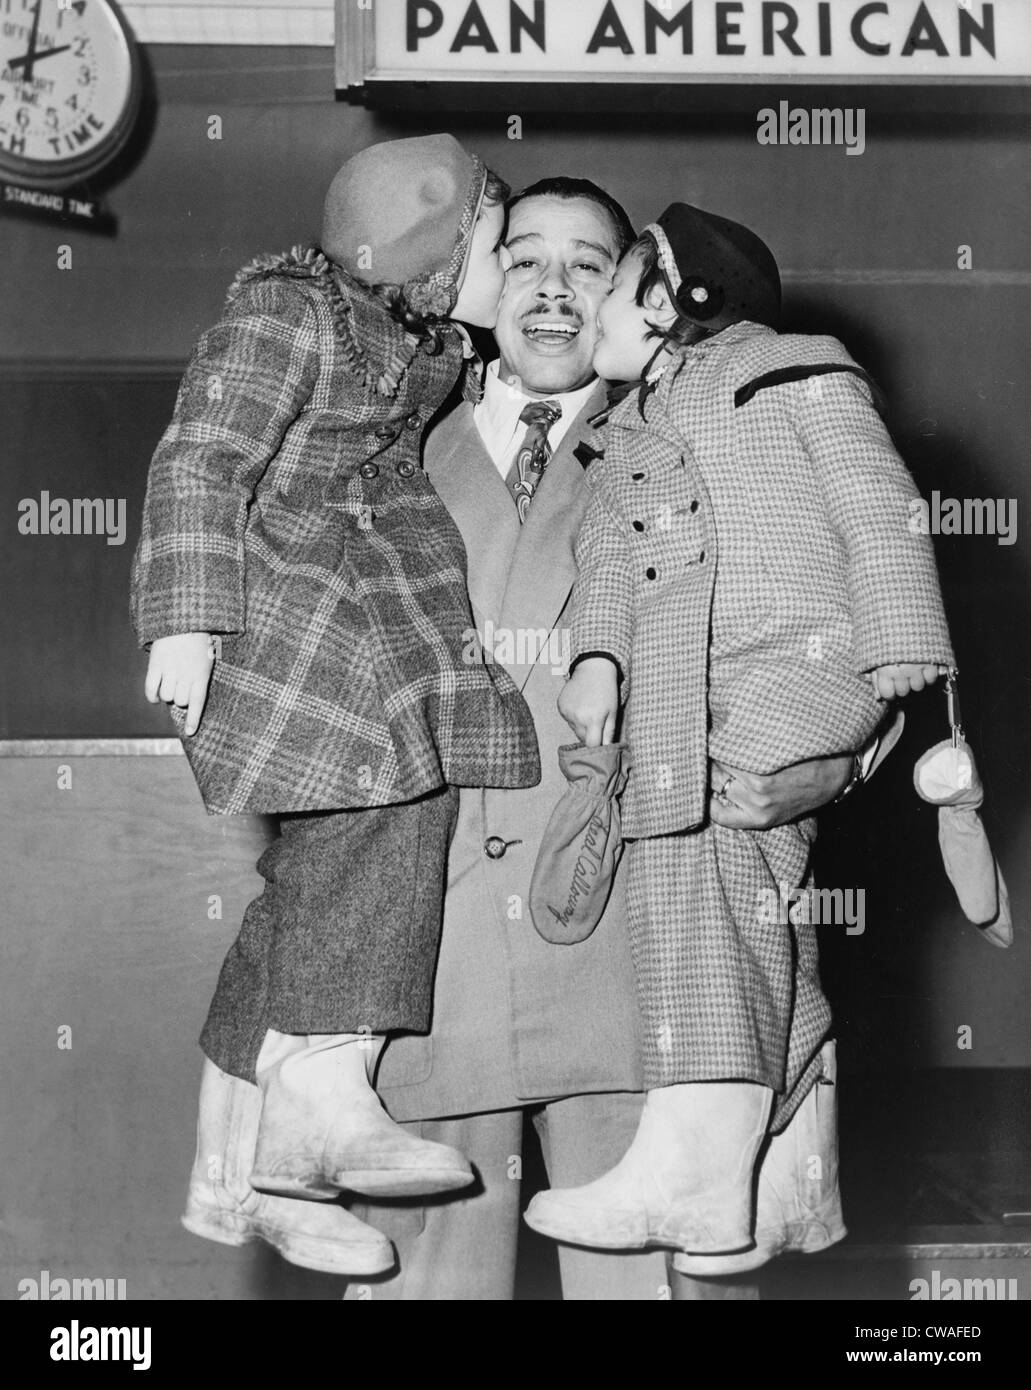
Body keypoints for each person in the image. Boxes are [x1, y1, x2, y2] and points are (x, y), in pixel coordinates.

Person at [350, 181, 871, 1299]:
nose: (550, 285)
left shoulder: (717, 417)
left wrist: (842, 759)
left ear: (644, 289)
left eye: (587, 263)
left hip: (650, 983)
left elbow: (852, 609)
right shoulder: (384, 436)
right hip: (425, 973)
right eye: (522, 256)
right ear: (478, 284)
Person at [130, 135, 540, 1277]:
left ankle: (254, 1173)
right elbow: (199, 455)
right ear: (438, 248)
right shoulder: (286, 311)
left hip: (373, 609)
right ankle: (323, 1092)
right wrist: (184, 617)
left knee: (311, 885)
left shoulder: (425, 336)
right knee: (387, 809)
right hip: (291, 613)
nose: (513, 269)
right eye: (501, 244)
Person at [524, 203, 953, 1262]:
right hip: (688, 692)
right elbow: (610, 565)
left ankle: (695, 1174)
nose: (590, 312)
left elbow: (875, 500)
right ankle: (784, 1178)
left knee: (710, 870)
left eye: (611, 281)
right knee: (721, 894)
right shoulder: (620, 430)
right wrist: (592, 657)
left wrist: (903, 643)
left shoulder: (790, 367)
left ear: (673, 300)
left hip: (798, 660)